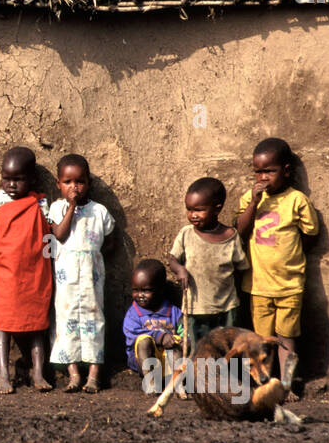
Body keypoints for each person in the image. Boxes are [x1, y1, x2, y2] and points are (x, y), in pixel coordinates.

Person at [234, 137, 319, 385]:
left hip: (289, 285)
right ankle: (265, 382)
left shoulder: (297, 200)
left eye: (269, 171)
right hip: (259, 286)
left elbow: (311, 234)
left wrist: (291, 257)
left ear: (286, 171)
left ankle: (287, 383)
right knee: (262, 340)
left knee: (287, 338)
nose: (263, 178)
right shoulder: (250, 199)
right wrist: (254, 203)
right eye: (258, 172)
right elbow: (240, 229)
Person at [0, 146, 53, 394]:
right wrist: (3, 253)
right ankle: (3, 375)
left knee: (37, 325)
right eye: (6, 178)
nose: (11, 185)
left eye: (18, 179)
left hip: (34, 275)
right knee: (3, 324)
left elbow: (48, 236)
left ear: (31, 179)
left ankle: (39, 373)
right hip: (4, 276)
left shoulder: (40, 204)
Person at [47, 154, 117, 393]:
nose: (74, 187)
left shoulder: (99, 211)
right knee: (66, 322)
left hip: (91, 277)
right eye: (68, 182)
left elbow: (111, 241)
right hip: (66, 279)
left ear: (89, 183)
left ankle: (94, 375)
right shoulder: (57, 208)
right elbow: (60, 235)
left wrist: (92, 256)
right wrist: (72, 207)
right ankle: (74, 374)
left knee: (94, 321)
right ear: (59, 184)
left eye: (79, 182)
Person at [166, 177, 249, 354]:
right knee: (198, 350)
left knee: (226, 349)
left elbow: (242, 268)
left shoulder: (231, 236)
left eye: (199, 210)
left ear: (217, 208)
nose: (192, 215)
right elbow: (172, 259)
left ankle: (226, 380)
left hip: (225, 308)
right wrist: (180, 269)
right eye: (189, 209)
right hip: (196, 307)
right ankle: (199, 380)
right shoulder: (186, 234)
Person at [123, 259, 184, 388]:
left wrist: (185, 339)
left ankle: (179, 385)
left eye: (146, 290)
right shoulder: (134, 313)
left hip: (168, 361)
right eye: (136, 290)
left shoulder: (173, 312)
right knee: (143, 341)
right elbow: (132, 335)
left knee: (176, 345)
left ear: (161, 290)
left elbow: (182, 329)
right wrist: (159, 337)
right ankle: (151, 383)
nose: (140, 295)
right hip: (144, 360)